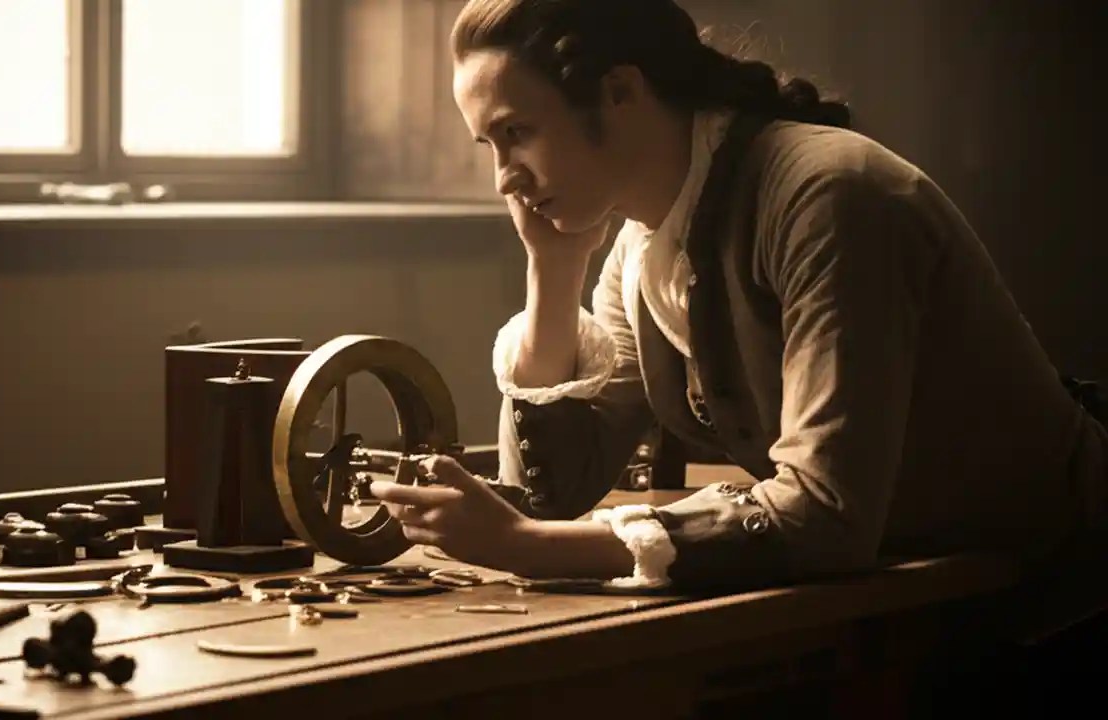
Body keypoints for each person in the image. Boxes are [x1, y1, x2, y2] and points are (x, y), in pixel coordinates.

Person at [368, 0, 1108, 598]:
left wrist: (523, 549)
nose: (504, 178)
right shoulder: (639, 245)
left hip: (1051, 589)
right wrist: (553, 274)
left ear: (619, 91)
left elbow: (825, 515)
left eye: (516, 132)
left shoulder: (828, 196)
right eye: (488, 146)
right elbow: (549, 494)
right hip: (905, 592)